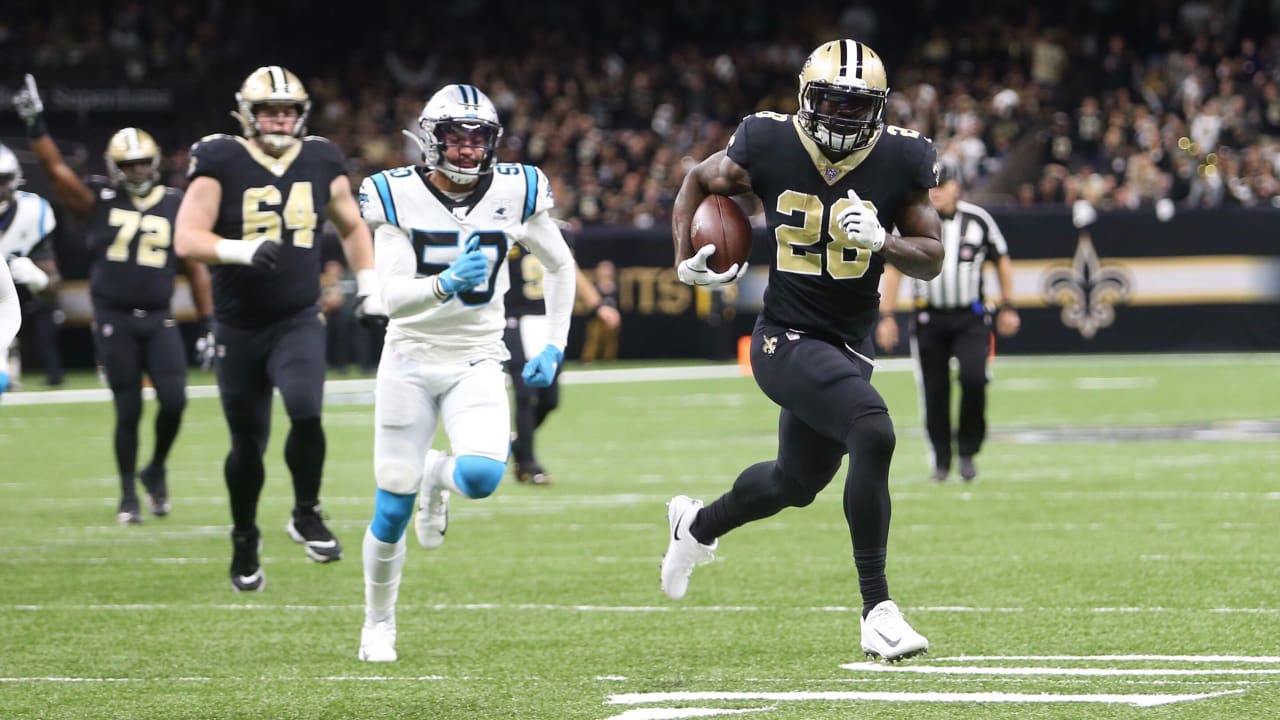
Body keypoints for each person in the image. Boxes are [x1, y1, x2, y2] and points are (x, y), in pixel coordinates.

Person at [662, 39, 943, 662]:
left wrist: (885, 242)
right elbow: (695, 180)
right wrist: (684, 259)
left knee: (795, 482)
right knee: (872, 429)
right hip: (782, 336)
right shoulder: (766, 141)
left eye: (857, 105)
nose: (843, 116)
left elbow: (932, 258)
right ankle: (879, 611)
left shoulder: (902, 156)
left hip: (848, 344)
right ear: (806, 99)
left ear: (879, 107)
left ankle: (696, 527)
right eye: (833, 103)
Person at [355, 83, 577, 662]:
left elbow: (560, 265)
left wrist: (555, 343)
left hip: (477, 357)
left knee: (480, 477)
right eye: (457, 137)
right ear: (433, 139)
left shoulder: (515, 190)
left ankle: (439, 477)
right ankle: (378, 622)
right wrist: (445, 282)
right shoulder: (394, 196)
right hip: (409, 356)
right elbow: (392, 297)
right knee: (392, 505)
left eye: (480, 139)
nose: (470, 150)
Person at [173, 65, 385, 591]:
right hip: (239, 326)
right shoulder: (220, 158)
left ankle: (306, 510)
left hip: (297, 317)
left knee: (306, 412)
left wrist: (371, 285)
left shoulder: (321, 157)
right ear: (246, 114)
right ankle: (245, 537)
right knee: (248, 443)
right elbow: (186, 238)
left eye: (287, 110)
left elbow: (353, 225)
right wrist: (239, 250)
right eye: (269, 110)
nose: (279, 119)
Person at [14, 75, 216, 524]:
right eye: (129, 165)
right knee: (127, 409)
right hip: (114, 318)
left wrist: (208, 323)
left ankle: (156, 467)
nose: (137, 171)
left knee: (176, 400)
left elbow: (197, 266)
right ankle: (128, 493)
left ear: (156, 162)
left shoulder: (176, 202)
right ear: (114, 167)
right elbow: (57, 174)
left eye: (143, 163)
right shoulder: (100, 200)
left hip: (160, 316)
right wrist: (35, 126)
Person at [876, 164, 1020, 483]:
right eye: (931, 185)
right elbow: (895, 268)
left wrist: (1008, 305)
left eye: (943, 184)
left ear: (958, 187)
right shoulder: (913, 219)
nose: (936, 191)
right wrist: (887, 316)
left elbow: (1002, 259)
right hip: (929, 317)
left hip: (970, 316)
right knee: (934, 391)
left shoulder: (979, 219)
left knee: (974, 379)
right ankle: (942, 461)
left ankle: (968, 451)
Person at [504, 239, 620, 485]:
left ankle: (517, 443)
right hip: (513, 317)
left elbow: (571, 270)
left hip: (547, 322)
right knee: (524, 394)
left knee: (550, 400)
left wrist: (598, 306)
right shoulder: (504, 225)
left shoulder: (555, 230)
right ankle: (528, 464)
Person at [0, 141, 57, 393]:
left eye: (2, 180)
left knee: (46, 309)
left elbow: (55, 285)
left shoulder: (32, 212)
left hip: (11, 302)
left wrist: (39, 279)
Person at [579, 260, 621, 363]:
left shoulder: (616, 286)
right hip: (595, 319)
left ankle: (609, 359)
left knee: (611, 340)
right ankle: (588, 359)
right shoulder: (593, 286)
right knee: (594, 339)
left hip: (611, 319)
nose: (606, 272)